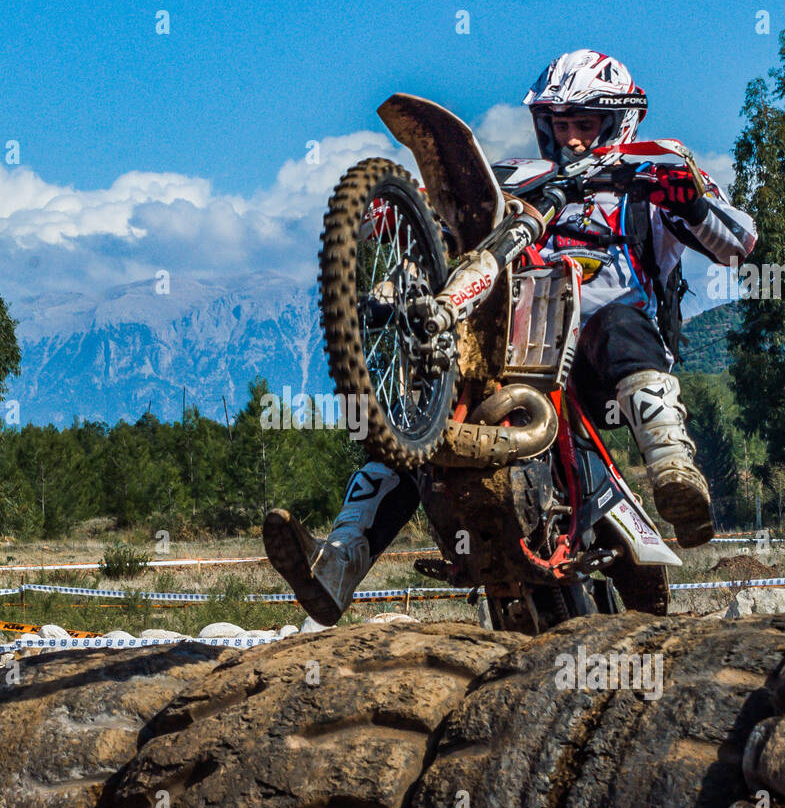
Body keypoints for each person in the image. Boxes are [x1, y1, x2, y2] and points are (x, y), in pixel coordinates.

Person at [263, 49, 758, 628]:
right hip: (509, 345)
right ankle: (338, 564)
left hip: (604, 355)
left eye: (584, 125)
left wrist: (689, 198)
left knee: (615, 323)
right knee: (416, 423)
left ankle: (673, 466)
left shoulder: (653, 166)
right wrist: (398, 220)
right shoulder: (519, 176)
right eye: (560, 124)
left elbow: (738, 243)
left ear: (617, 122)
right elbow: (455, 221)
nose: (571, 139)